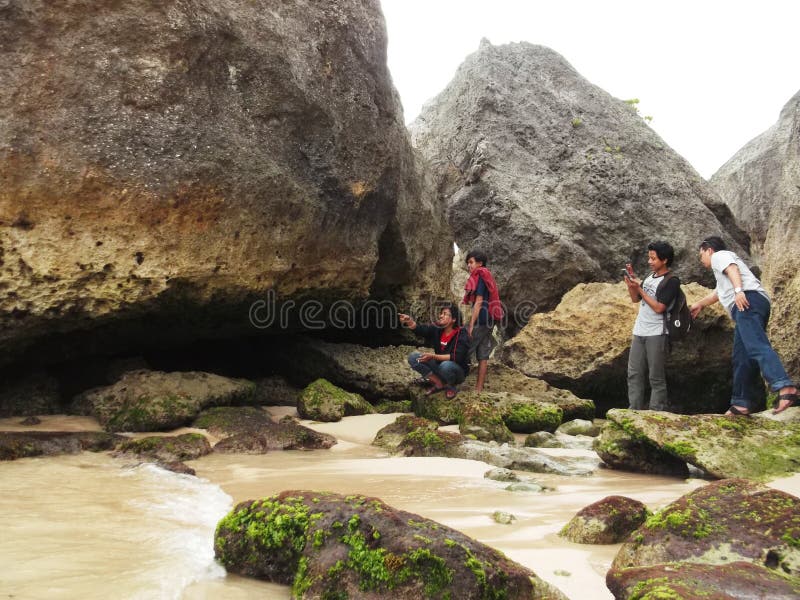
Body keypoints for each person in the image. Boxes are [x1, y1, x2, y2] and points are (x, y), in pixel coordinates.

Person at [690, 236, 797, 415]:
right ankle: (741, 403)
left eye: (701, 254)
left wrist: (739, 291)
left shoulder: (720, 256)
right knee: (742, 357)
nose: (701, 260)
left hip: (747, 301)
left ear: (709, 250)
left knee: (756, 345)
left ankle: (785, 386)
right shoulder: (722, 274)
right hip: (748, 304)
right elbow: (718, 293)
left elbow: (732, 269)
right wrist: (699, 304)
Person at [624, 241, 681, 411]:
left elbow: (659, 308)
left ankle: (656, 412)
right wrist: (631, 286)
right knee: (633, 374)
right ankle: (633, 410)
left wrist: (640, 290)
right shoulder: (650, 277)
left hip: (657, 333)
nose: (649, 261)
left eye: (653, 258)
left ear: (664, 260)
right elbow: (636, 300)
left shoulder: (671, 281)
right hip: (640, 330)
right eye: (649, 257)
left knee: (655, 377)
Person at [399, 304, 470, 400]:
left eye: (445, 314)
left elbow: (457, 357)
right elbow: (421, 330)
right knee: (414, 358)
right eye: (441, 313)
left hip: (457, 372)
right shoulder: (438, 328)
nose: (441, 316)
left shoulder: (461, 333)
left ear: (454, 319)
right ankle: (439, 383)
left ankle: (451, 385)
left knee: (446, 366)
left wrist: (433, 356)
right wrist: (409, 321)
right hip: (440, 366)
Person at [463, 250, 501, 392]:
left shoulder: (480, 276)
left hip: (482, 319)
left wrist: (471, 325)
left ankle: (449, 381)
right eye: (468, 263)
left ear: (480, 263)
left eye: (471, 262)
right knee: (483, 353)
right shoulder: (487, 276)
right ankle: (478, 389)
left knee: (464, 346)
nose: (469, 265)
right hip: (490, 319)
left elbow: (478, 302)